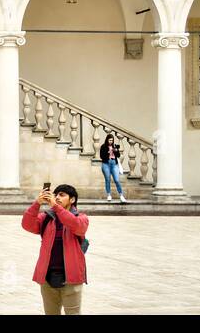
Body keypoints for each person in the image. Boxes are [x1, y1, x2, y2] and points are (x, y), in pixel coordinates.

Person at [22, 183, 90, 315]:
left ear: (72, 200)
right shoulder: (46, 218)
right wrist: (37, 204)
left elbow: (76, 225)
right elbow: (27, 225)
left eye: (62, 195)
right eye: (56, 194)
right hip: (47, 278)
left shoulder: (81, 218)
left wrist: (56, 207)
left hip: (71, 278)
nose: (57, 197)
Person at [99, 133, 127, 203]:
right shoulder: (103, 146)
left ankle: (121, 195)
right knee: (107, 180)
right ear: (107, 140)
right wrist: (108, 152)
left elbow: (118, 155)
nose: (111, 141)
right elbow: (101, 156)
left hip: (114, 164)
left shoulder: (114, 146)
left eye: (112, 140)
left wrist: (116, 151)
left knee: (117, 180)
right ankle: (109, 195)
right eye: (109, 140)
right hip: (106, 164)